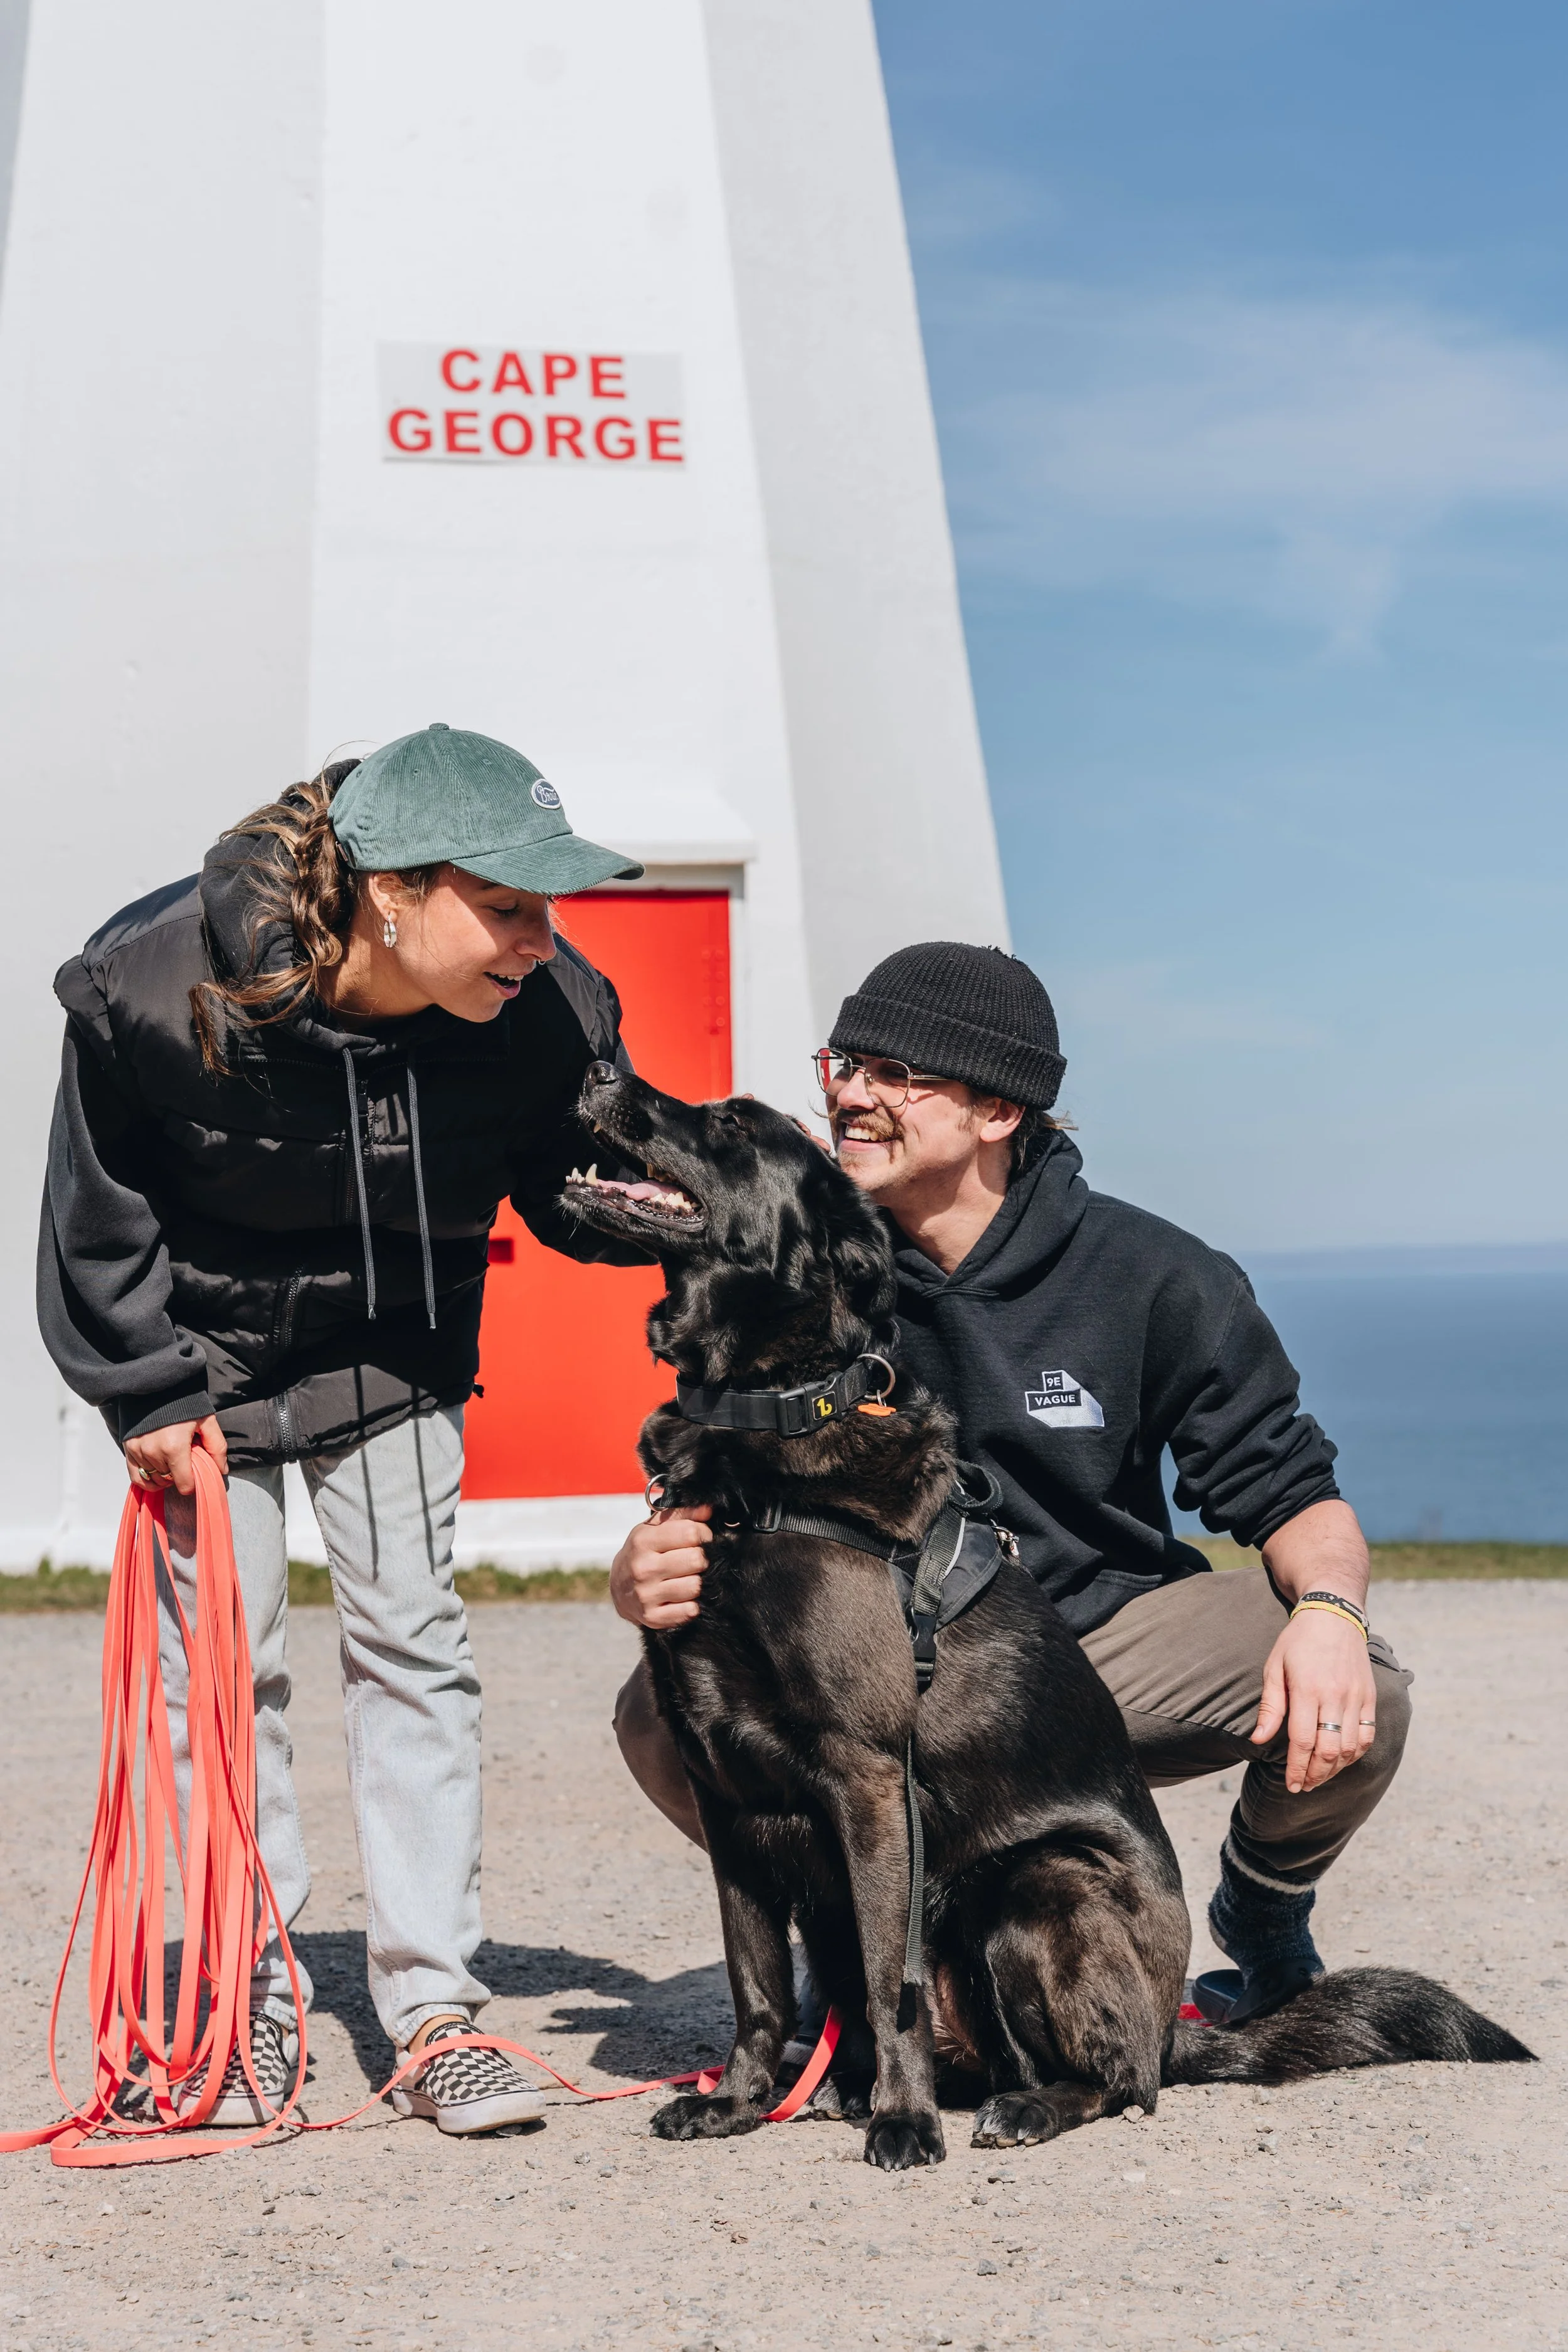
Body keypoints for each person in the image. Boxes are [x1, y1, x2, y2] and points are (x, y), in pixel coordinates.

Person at [611, 940, 1411, 2030]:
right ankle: (862, 1944)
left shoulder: (1155, 1274)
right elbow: (722, 1456)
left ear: (998, 1113)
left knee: (1365, 1677)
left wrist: (1326, 1609)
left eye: (895, 1074)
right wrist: (642, 1562)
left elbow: (1294, 1492)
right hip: (887, 1670)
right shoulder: (811, 1254)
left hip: (1104, 1642)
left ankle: (1262, 1914)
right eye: (843, 1061)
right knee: (657, 1716)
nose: (850, 1092)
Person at [39, 723, 654, 2133]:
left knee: (415, 1650)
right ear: (393, 890)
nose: (536, 940)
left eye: (544, 907)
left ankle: (435, 2013)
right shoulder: (151, 978)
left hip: (393, 1353)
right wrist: (143, 1392)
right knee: (224, 1674)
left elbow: (569, 1186)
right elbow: (97, 1202)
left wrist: (705, 1213)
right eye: (506, 906)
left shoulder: (553, 1006)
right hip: (203, 1365)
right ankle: (245, 1996)